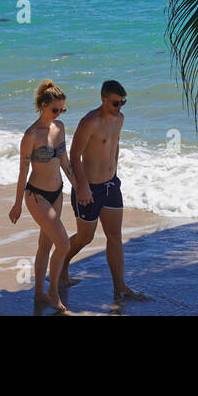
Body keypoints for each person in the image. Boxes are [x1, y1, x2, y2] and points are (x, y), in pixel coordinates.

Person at [62, 79, 148, 302]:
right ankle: (60, 266)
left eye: (122, 103)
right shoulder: (90, 122)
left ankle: (120, 287)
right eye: (115, 103)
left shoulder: (119, 119)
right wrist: (82, 187)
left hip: (111, 186)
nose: (119, 107)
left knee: (115, 236)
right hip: (88, 189)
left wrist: (114, 173)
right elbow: (74, 156)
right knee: (85, 237)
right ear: (103, 100)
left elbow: (114, 146)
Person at [8, 79, 73, 312]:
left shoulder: (60, 128)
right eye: (55, 109)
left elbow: (64, 161)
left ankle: (38, 293)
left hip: (57, 192)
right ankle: (53, 293)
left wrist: (78, 186)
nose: (58, 113)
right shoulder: (31, 135)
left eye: (62, 109)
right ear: (43, 105)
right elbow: (22, 171)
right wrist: (17, 205)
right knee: (63, 244)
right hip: (36, 195)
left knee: (45, 244)